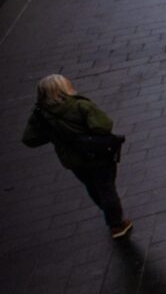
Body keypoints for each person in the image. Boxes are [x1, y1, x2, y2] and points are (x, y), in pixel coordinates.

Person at [23, 74, 130, 237]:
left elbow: (30, 139)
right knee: (107, 188)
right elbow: (103, 127)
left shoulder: (40, 114)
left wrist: (54, 136)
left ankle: (108, 211)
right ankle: (116, 224)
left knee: (92, 186)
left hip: (73, 161)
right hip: (98, 155)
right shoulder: (80, 105)